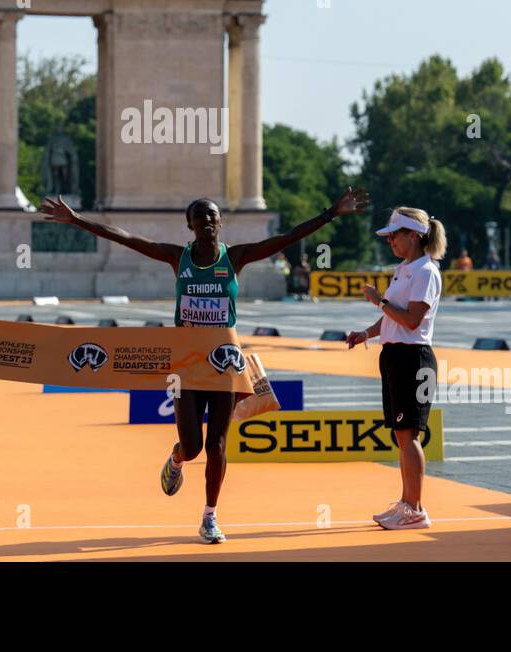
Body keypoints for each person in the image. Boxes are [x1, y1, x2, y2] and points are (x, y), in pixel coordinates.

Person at [40, 186, 369, 544]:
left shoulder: (236, 258)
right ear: (190, 226)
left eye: (212, 215)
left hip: (225, 364)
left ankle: (209, 517)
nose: (207, 221)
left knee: (217, 446)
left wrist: (330, 214)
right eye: (200, 217)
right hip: (186, 366)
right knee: (193, 446)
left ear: (221, 222)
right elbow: (127, 238)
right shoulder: (176, 258)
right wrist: (76, 220)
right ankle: (178, 458)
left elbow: (287, 237)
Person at [346, 207, 445, 531]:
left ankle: (415, 508)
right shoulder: (404, 269)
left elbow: (412, 319)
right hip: (395, 356)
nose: (391, 241)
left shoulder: (426, 271)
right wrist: (367, 332)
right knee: (402, 436)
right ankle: (407, 503)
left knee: (409, 435)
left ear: (413, 236)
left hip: (413, 358)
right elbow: (393, 315)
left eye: (395, 235)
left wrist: (379, 301)